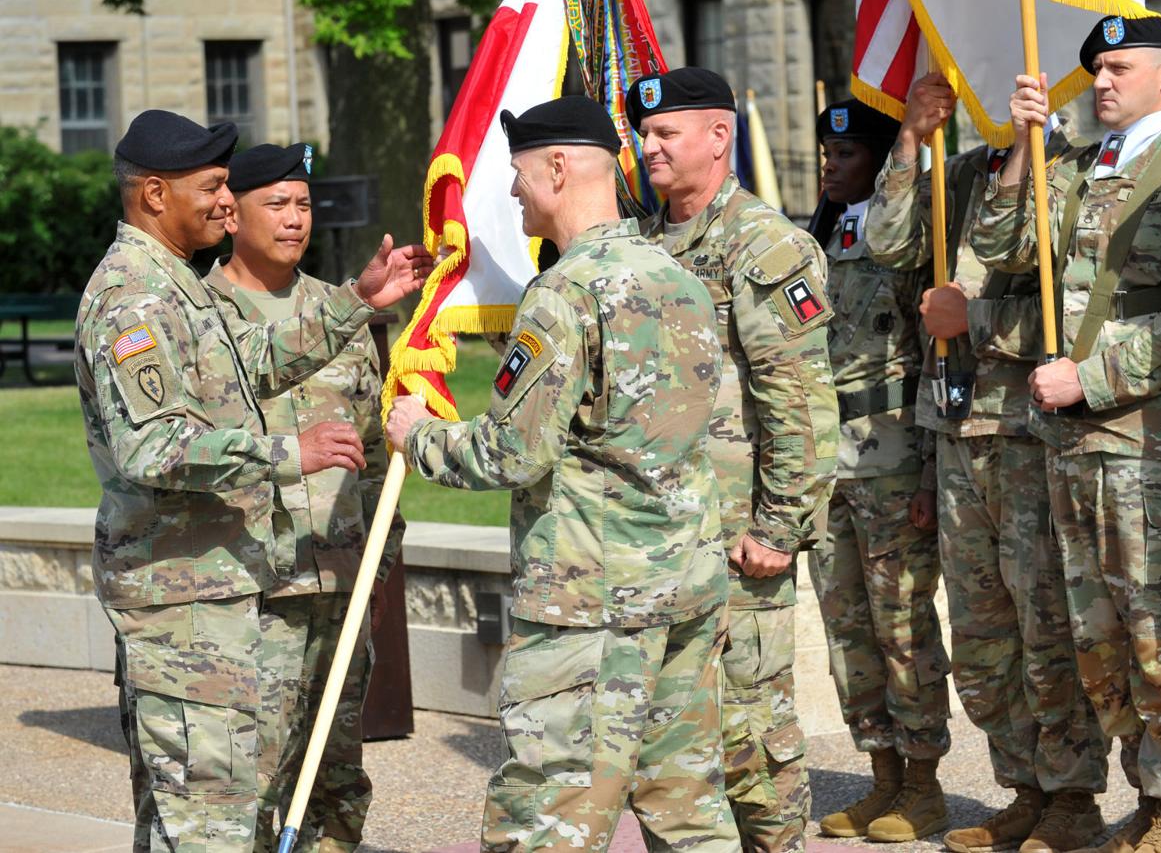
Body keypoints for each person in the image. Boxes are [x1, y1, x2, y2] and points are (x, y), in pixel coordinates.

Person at [385, 95, 739, 853]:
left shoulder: (565, 293)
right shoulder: (676, 275)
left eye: (517, 174)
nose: (512, 192)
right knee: (687, 802)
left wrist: (419, 437)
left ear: (556, 167)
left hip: (592, 598)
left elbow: (511, 451)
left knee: (549, 808)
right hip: (684, 578)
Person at [75, 109, 431, 852]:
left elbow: (253, 360)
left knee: (208, 819)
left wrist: (356, 303)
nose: (224, 202)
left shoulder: (173, 286)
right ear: (153, 194)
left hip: (210, 594)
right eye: (211, 187)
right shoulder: (135, 298)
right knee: (208, 826)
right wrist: (285, 453)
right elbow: (152, 446)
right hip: (181, 601)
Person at [972, 15, 1161, 853]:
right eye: (1095, 70)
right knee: (1096, 639)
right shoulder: (1075, 169)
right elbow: (998, 246)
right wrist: (1021, 148)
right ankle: (1144, 798)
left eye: (1118, 67)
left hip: (1146, 443)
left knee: (1159, 631)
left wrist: (1092, 378)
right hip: (1068, 445)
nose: (1101, 82)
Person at [868, 73, 1110, 853]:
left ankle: (1071, 796)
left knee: (1046, 628)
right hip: (954, 429)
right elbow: (888, 243)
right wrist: (911, 136)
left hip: (1026, 433)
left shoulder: (1077, 172)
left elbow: (1076, 310)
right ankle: (1023, 787)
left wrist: (972, 320)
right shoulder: (963, 171)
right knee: (981, 635)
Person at [626, 67, 840, 853]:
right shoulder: (642, 246)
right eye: (644, 135)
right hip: (662, 536)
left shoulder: (763, 245)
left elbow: (800, 399)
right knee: (670, 739)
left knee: (748, 732)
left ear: (718, 136)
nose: (648, 147)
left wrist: (780, 526)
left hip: (738, 538)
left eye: (665, 133)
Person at [203, 142, 406, 852]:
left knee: (337, 780)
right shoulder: (201, 317)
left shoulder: (340, 310)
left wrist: (378, 564)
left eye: (303, 205)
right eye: (276, 204)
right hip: (253, 591)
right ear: (232, 215)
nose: (294, 219)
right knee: (249, 786)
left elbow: (374, 455)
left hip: (339, 585)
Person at [803, 97, 953, 843]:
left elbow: (932, 357)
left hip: (892, 457)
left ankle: (923, 784)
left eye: (847, 154)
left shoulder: (908, 237)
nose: (831, 167)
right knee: (847, 631)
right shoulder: (817, 237)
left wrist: (928, 472)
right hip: (827, 462)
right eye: (826, 155)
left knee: (901, 625)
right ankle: (882, 776)